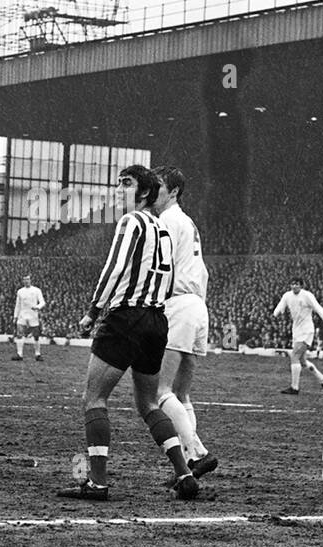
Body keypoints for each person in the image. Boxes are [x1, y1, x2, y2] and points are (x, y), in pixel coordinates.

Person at [59, 165, 198, 502]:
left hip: (126, 318)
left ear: (145, 193)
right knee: (149, 403)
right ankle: (184, 473)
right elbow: (170, 278)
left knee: (94, 399)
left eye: (126, 183)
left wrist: (94, 309)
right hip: (156, 321)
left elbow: (115, 267)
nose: (119, 188)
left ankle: (98, 483)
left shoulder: (131, 222)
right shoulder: (164, 230)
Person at [151, 165, 216, 480]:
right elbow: (202, 271)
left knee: (161, 392)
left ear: (173, 191)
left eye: (159, 186)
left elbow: (162, 271)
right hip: (197, 306)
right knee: (182, 393)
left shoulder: (166, 221)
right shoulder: (187, 221)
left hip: (178, 305)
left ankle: (197, 454)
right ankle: (194, 454)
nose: (153, 192)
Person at [272, 278, 323, 396]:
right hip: (296, 331)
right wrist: (276, 312)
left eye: (297, 284)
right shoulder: (287, 295)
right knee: (302, 361)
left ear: (301, 285)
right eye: (292, 284)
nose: (294, 286)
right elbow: (281, 305)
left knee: (295, 356)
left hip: (307, 330)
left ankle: (294, 387)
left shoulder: (307, 295)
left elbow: (319, 310)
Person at [12, 273, 46, 361]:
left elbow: (42, 302)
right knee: (19, 334)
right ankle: (19, 354)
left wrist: (37, 307)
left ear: (30, 280)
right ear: (22, 281)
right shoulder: (20, 291)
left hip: (33, 316)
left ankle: (37, 354)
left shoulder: (37, 290)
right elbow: (18, 305)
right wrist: (15, 316)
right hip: (22, 316)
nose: (26, 281)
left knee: (36, 336)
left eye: (28, 279)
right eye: (24, 279)